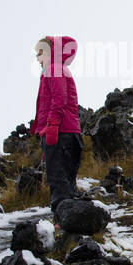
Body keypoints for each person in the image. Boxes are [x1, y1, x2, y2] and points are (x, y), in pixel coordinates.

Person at [32, 35, 83, 215]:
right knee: (67, 181)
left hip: (60, 132)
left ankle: (62, 223)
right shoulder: (58, 69)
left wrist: (52, 125)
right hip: (69, 131)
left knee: (57, 179)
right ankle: (72, 223)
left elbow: (59, 98)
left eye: (40, 53)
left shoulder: (54, 69)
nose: (38, 59)